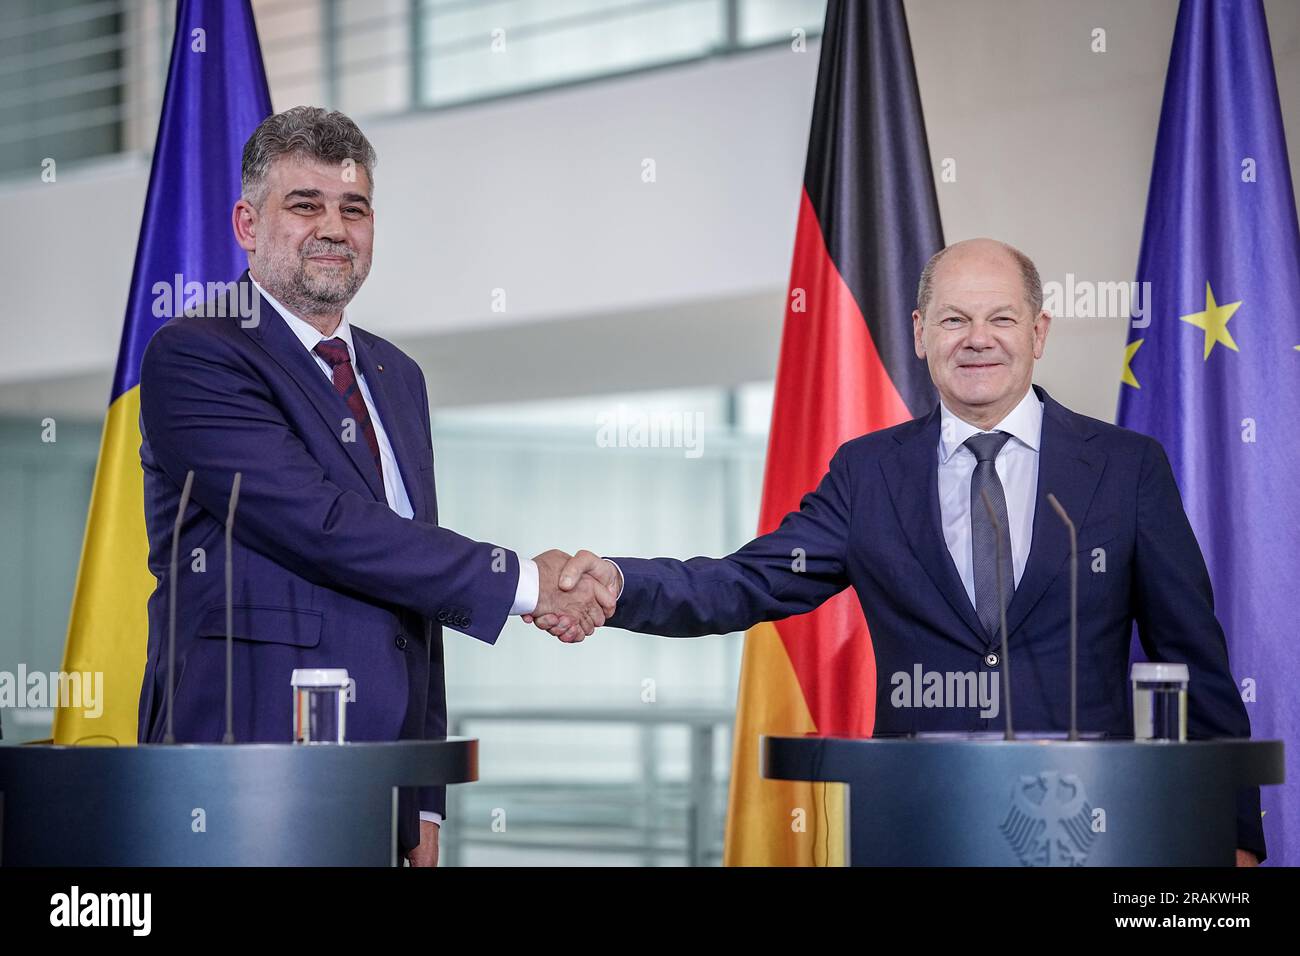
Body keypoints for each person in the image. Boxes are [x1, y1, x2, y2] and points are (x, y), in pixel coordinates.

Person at [531, 238, 1265, 864]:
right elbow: (748, 581)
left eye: (1000, 318)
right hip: (917, 826)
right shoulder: (869, 472)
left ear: (1039, 331)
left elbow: (1193, 653)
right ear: (920, 332)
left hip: (1085, 830)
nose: (977, 338)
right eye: (954, 319)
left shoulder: (1125, 467)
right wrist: (617, 583)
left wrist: (1235, 831)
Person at [136, 107, 613, 867]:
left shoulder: (396, 376)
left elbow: (410, 581)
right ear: (246, 224)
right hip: (239, 771)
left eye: (353, 208)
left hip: (380, 784)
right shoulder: (193, 356)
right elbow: (326, 526)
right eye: (305, 205)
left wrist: (422, 795)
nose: (334, 227)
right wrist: (527, 582)